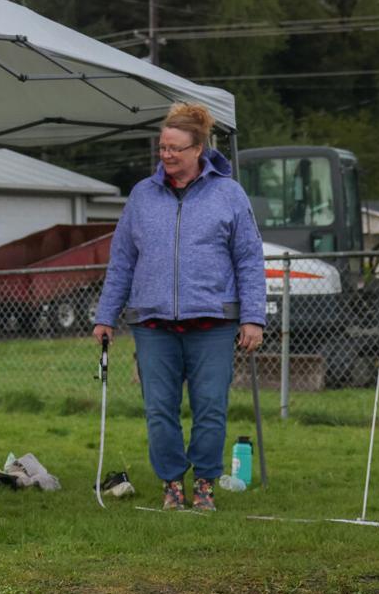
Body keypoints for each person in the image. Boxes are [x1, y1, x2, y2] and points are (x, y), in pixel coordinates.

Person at [91, 102, 266, 512]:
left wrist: (253, 317)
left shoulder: (229, 193)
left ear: (198, 149)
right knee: (159, 411)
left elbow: (248, 257)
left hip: (214, 323)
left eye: (175, 148)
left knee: (210, 408)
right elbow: (121, 261)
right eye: (162, 148)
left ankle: (204, 483)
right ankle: (172, 484)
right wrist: (105, 316)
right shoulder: (142, 195)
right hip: (153, 324)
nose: (166, 155)